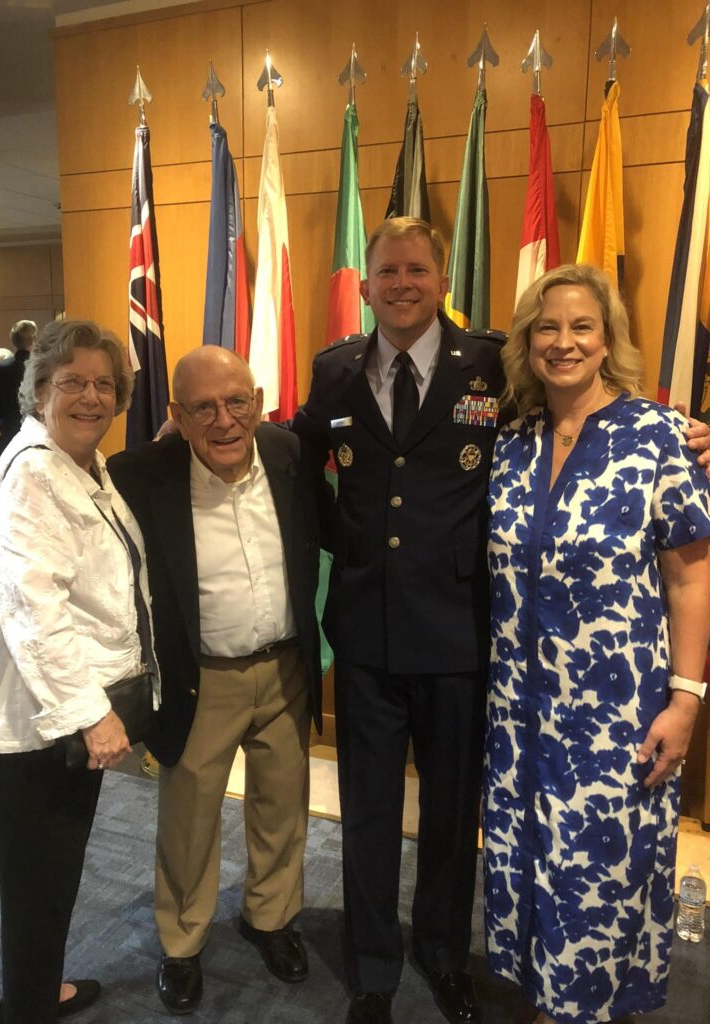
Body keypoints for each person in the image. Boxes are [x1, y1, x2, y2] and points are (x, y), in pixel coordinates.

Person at [484, 263, 710, 1024]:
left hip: (614, 716)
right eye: (547, 326)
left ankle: (580, 1008)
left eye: (582, 326)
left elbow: (691, 582)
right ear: (527, 342)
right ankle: (549, 1003)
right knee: (530, 871)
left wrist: (687, 700)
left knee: (599, 877)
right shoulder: (511, 443)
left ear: (607, 339)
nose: (564, 341)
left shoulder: (660, 436)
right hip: (519, 716)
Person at [293, 217, 505, 1024]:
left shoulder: (490, 364)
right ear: (366, 283)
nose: (403, 283)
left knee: (452, 813)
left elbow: (570, 415)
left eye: (418, 269)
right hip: (368, 632)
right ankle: (374, 967)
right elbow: (299, 455)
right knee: (370, 810)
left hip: (458, 632)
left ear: (443, 281)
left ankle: (446, 954)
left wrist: (676, 434)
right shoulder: (337, 369)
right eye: (388, 271)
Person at [0, 319, 157, 1024]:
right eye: (72, 383)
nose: (90, 397)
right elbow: (33, 610)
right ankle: (26, 1010)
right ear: (39, 390)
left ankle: (34, 992)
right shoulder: (36, 473)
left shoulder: (76, 462)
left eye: (104, 384)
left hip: (54, 714)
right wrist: (90, 713)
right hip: (39, 722)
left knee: (50, 875)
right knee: (39, 877)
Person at [107, 346, 326, 1016]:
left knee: (282, 805)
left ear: (258, 403)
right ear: (175, 415)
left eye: (236, 402)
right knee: (190, 815)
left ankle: (271, 917)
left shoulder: (289, 456)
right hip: (203, 676)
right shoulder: (139, 474)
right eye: (202, 407)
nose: (223, 420)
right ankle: (182, 942)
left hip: (285, 665)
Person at [0, 319, 38, 448]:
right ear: (34, 339)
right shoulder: (41, 366)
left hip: (9, 430)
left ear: (13, 340)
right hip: (35, 429)